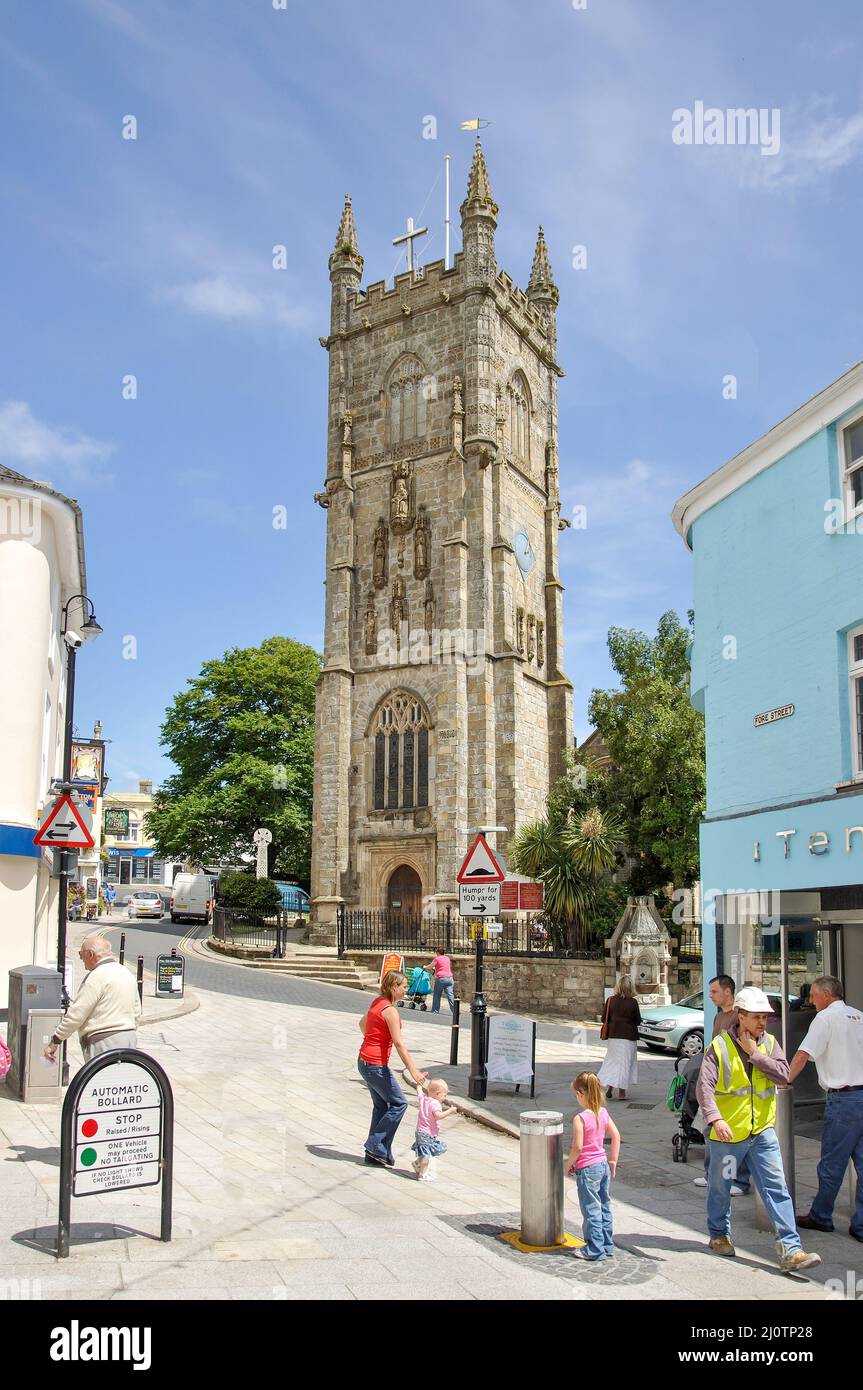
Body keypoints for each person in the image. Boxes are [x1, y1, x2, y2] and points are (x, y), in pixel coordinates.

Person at [696, 986, 820, 1272]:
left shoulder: (769, 1044)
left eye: (765, 1017)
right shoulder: (719, 1047)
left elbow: (784, 1075)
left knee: (777, 1188)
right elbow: (705, 1088)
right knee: (721, 1187)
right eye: (756, 1017)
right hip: (729, 1136)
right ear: (740, 1016)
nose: (762, 1022)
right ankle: (718, 1235)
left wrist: (756, 1054)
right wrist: (716, 1119)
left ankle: (791, 1249)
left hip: (762, 1132)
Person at [788, 975, 863, 1242]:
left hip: (843, 1101)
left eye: (814, 995)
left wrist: (784, 1080)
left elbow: (803, 1054)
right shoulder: (859, 1016)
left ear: (827, 996)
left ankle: (821, 1216)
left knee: (832, 1162)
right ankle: (861, 1225)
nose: (810, 1000)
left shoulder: (825, 1019)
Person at [357, 970, 428, 1168]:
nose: (406, 989)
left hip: (364, 1061)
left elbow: (362, 1024)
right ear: (393, 987)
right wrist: (413, 1071)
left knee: (381, 1105)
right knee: (399, 1103)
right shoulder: (390, 1010)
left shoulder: (377, 1002)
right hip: (375, 1065)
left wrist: (373, 1039)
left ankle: (375, 1154)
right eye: (403, 986)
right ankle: (375, 1145)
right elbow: (399, 1043)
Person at [693, 974, 750, 1197]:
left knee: (738, 1133)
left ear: (728, 992)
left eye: (715, 992)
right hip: (717, 1083)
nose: (711, 996)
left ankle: (740, 1180)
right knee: (712, 1130)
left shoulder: (739, 1016)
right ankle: (711, 1175)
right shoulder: (719, 1017)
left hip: (735, 1084)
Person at [43, 934, 142, 1064]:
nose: (81, 958)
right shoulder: (126, 972)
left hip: (103, 1042)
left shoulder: (96, 977)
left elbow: (77, 1014)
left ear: (90, 954)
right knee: (121, 1081)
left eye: (81, 954)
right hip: (128, 1039)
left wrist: (55, 1041)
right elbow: (137, 1011)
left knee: (102, 1082)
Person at [565, 1071, 621, 1261]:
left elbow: (578, 1147)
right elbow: (616, 1136)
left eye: (576, 1094)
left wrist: (568, 1164)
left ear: (581, 1093)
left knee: (591, 1210)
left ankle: (594, 1249)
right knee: (604, 1206)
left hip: (588, 1170)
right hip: (603, 1165)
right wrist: (612, 1160)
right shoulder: (603, 1113)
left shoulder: (580, 1118)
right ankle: (607, 1245)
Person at [598, 976, 641, 1100]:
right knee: (625, 1064)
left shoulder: (610, 1000)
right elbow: (638, 1020)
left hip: (613, 1036)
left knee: (613, 1061)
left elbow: (603, 1019)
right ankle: (622, 1093)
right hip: (628, 1037)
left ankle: (610, 1087)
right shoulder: (632, 1002)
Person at [411, 1078, 456, 1181]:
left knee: (424, 1150)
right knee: (427, 1155)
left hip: (419, 1131)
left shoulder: (424, 1099)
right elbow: (438, 1116)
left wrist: (419, 1084)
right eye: (444, 1095)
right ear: (437, 1093)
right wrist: (450, 1111)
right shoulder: (435, 1103)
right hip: (427, 1133)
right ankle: (422, 1174)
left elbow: (419, 1091)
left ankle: (418, 1163)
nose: (444, 1098)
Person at [423, 947, 456, 1014]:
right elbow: (444, 967)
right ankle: (455, 1011)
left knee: (437, 995)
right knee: (450, 995)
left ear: (438, 952)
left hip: (441, 978)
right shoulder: (447, 958)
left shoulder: (437, 959)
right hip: (449, 978)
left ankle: (435, 1010)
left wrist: (425, 967)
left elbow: (430, 966)